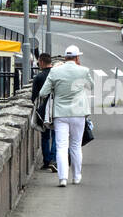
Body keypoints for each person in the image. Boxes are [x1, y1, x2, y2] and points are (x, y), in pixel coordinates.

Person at [36, 44, 92, 186]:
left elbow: (42, 93)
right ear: (77, 57)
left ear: (65, 57)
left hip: (60, 113)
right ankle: (77, 176)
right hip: (78, 113)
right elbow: (91, 86)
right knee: (75, 145)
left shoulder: (55, 72)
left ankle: (63, 178)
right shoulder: (83, 71)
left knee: (61, 145)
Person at [30, 53, 57, 171]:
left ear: (41, 62)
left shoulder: (39, 77)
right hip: (57, 108)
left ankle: (46, 161)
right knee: (56, 135)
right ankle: (54, 159)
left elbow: (34, 97)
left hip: (43, 110)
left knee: (45, 136)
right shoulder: (57, 75)